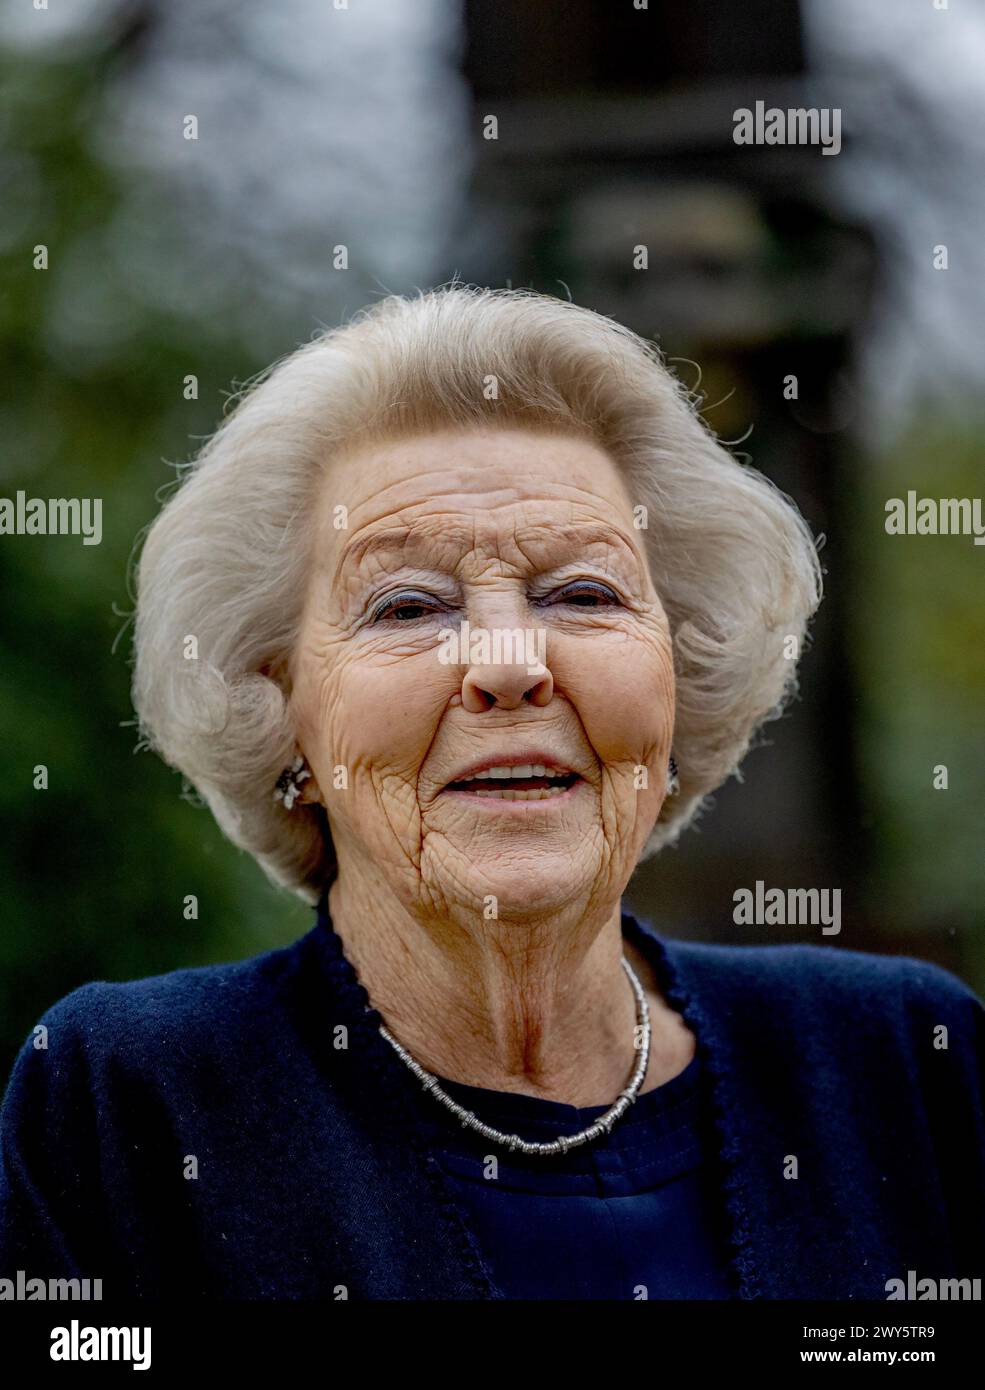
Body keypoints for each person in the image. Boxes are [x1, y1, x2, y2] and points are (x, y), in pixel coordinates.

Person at [1, 285, 982, 1300]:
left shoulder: (906, 1064)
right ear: (280, 704)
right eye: (408, 604)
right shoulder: (134, 1095)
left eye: (582, 593)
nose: (509, 663)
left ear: (679, 683)